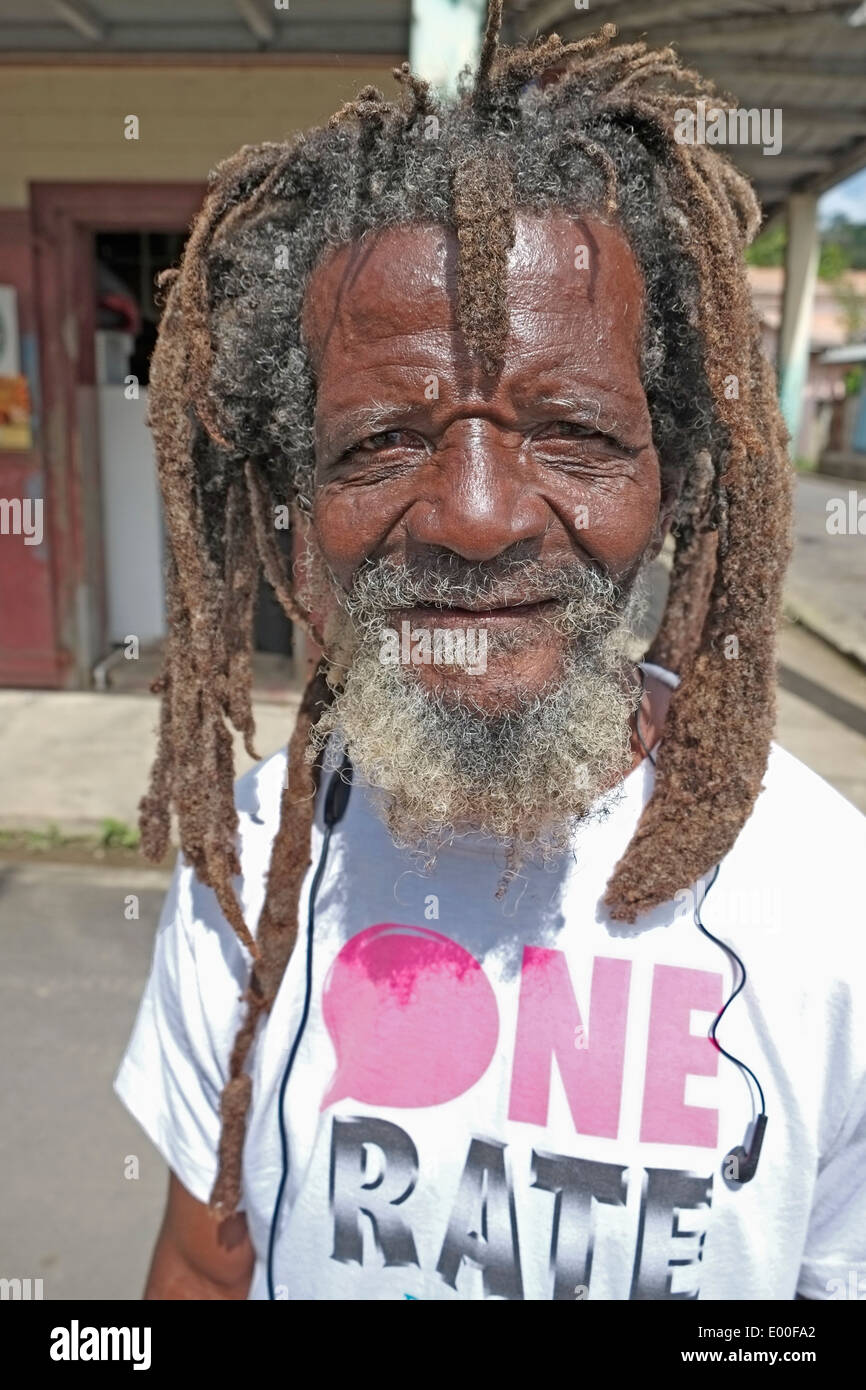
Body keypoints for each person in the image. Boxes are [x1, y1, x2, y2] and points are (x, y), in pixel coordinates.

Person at [115, 4, 866, 1301]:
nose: (473, 514)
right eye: (381, 442)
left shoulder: (829, 910)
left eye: (569, 429)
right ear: (301, 512)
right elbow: (197, 1263)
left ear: (674, 479)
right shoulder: (244, 867)